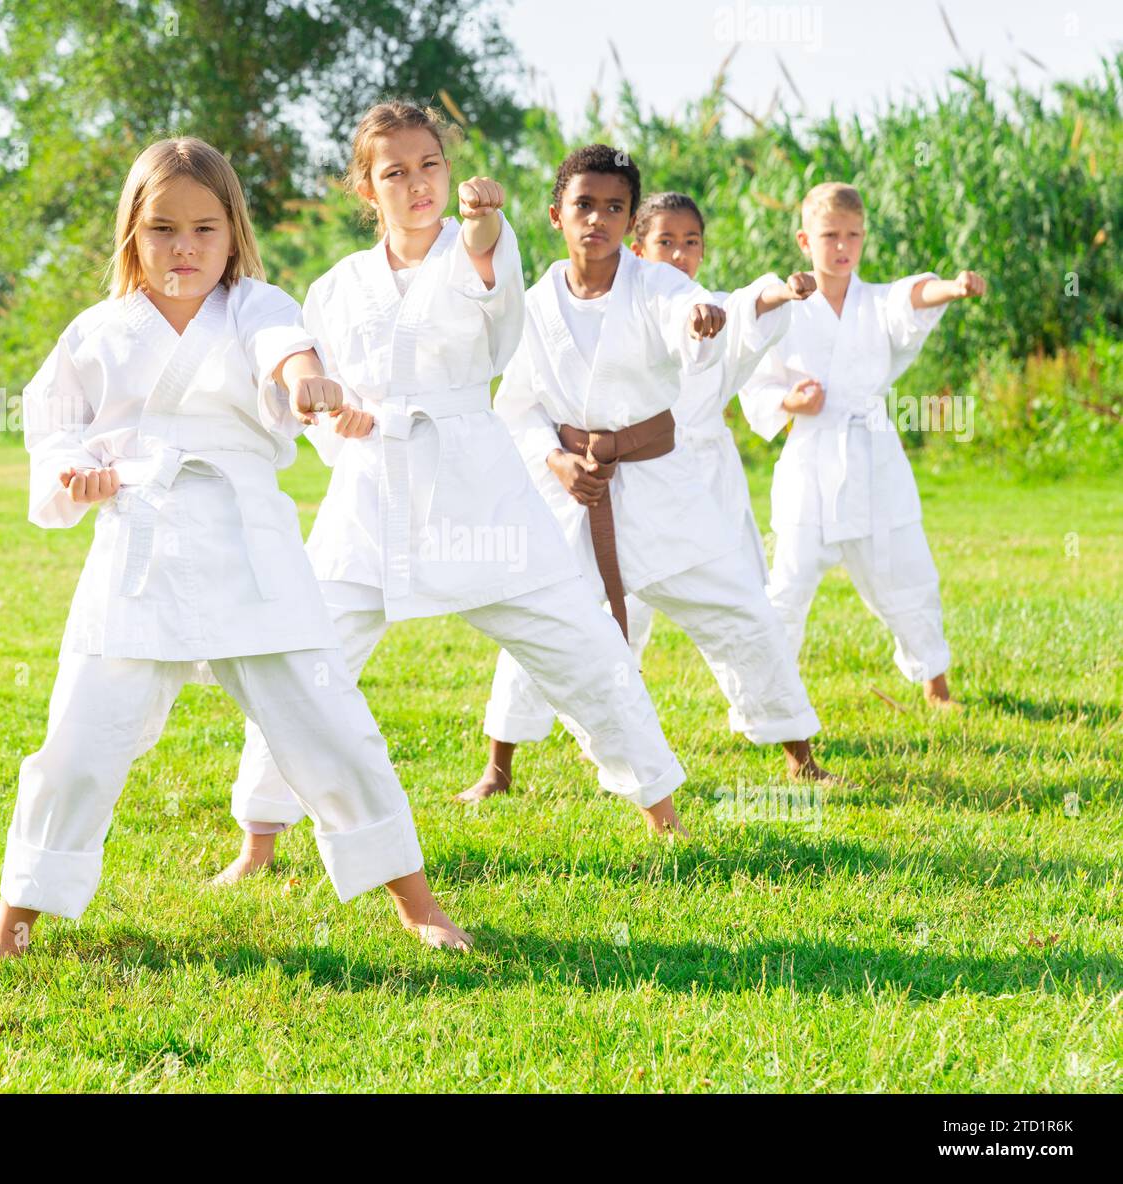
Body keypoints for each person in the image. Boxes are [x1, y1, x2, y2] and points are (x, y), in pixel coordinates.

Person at [0, 136, 472, 966]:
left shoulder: (258, 306)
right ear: (132, 232)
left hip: (253, 553)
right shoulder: (96, 333)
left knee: (332, 727)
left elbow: (289, 351)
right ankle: (13, 923)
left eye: (204, 228)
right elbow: (53, 431)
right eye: (163, 229)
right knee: (77, 742)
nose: (184, 248)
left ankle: (416, 901)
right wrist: (74, 473)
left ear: (232, 231)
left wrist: (308, 381)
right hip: (139, 548)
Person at [216, 103, 705, 886]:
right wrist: (336, 416)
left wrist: (482, 224)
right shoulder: (336, 287)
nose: (417, 183)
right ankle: (260, 835)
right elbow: (308, 394)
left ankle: (662, 808)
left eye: (430, 165)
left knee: (580, 640)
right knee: (304, 656)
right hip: (373, 493)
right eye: (395, 172)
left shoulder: (481, 246)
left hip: (478, 489)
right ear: (366, 188)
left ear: (451, 173)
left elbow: (491, 292)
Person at [464, 154, 833, 805]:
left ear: (628, 220)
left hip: (661, 486)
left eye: (613, 208)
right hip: (573, 487)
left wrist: (701, 324)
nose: (598, 219)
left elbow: (691, 313)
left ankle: (797, 752)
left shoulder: (659, 287)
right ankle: (499, 767)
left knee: (739, 609)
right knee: (542, 625)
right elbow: (517, 405)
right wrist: (554, 459)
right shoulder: (537, 304)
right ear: (558, 216)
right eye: (585, 205)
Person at [739, 181, 986, 708]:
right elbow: (758, 384)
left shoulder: (876, 301)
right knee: (789, 580)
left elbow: (912, 297)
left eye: (853, 235)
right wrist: (791, 403)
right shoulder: (788, 308)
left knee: (905, 568)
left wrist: (955, 288)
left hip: (874, 459)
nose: (843, 246)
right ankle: (769, 697)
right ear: (805, 239)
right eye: (830, 235)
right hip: (810, 461)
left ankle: (935, 682)